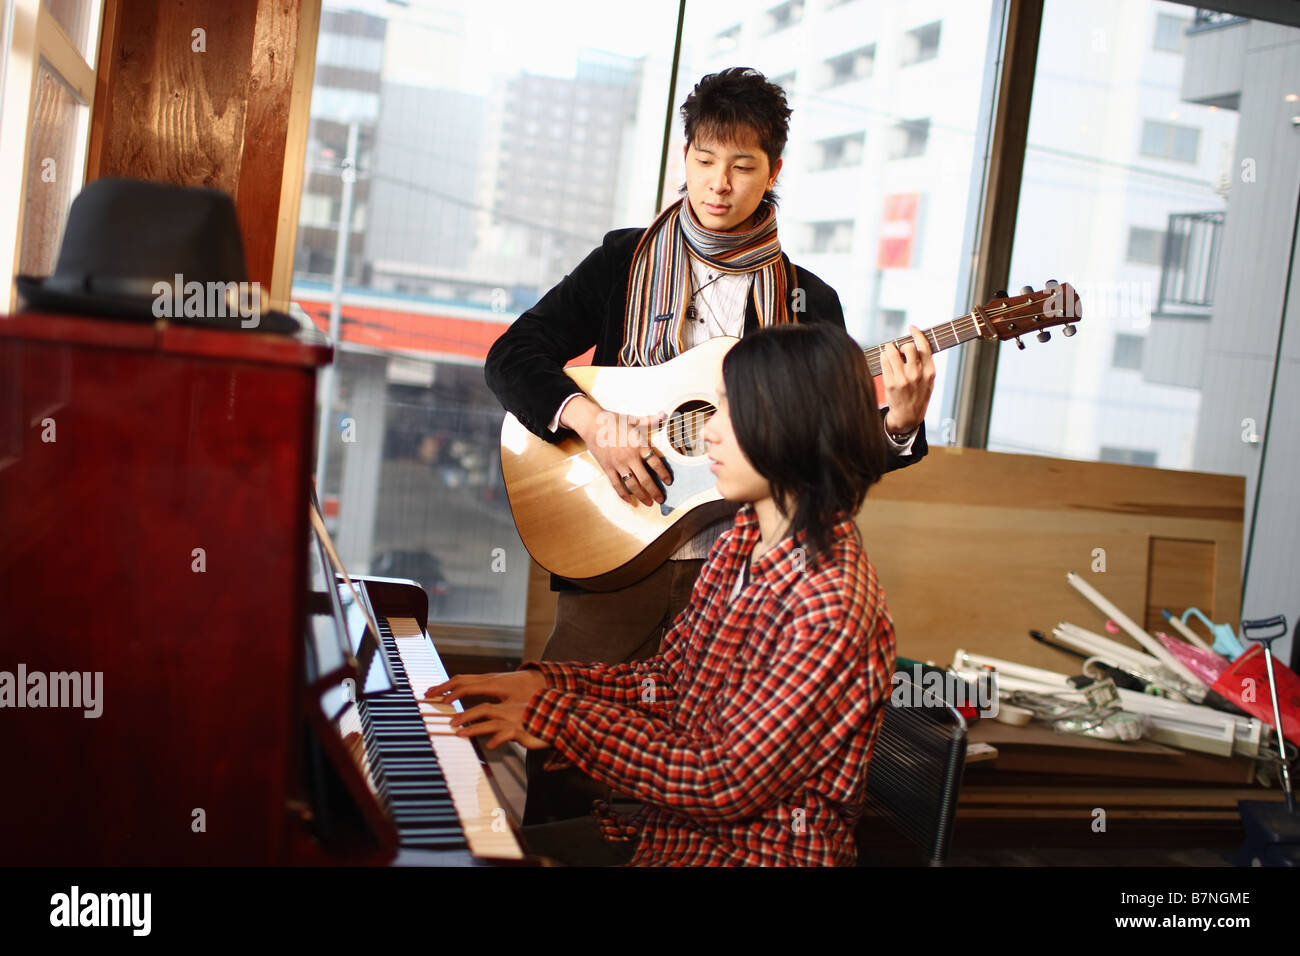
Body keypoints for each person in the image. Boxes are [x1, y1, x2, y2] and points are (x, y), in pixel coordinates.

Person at [484, 67, 935, 824]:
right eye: (704, 161)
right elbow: (511, 358)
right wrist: (594, 423)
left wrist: (897, 423)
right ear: (684, 156)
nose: (719, 184)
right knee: (553, 768)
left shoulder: (808, 303)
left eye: (742, 165)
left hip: (734, 563)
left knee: (689, 770)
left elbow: (830, 451)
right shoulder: (624, 263)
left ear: (775, 172)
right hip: (616, 545)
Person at [436, 322, 898, 866]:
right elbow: (669, 681)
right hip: (671, 835)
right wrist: (542, 680)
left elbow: (721, 781)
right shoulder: (742, 542)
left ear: (791, 423)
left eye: (730, 410)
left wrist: (556, 717)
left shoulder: (830, 604)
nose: (707, 433)